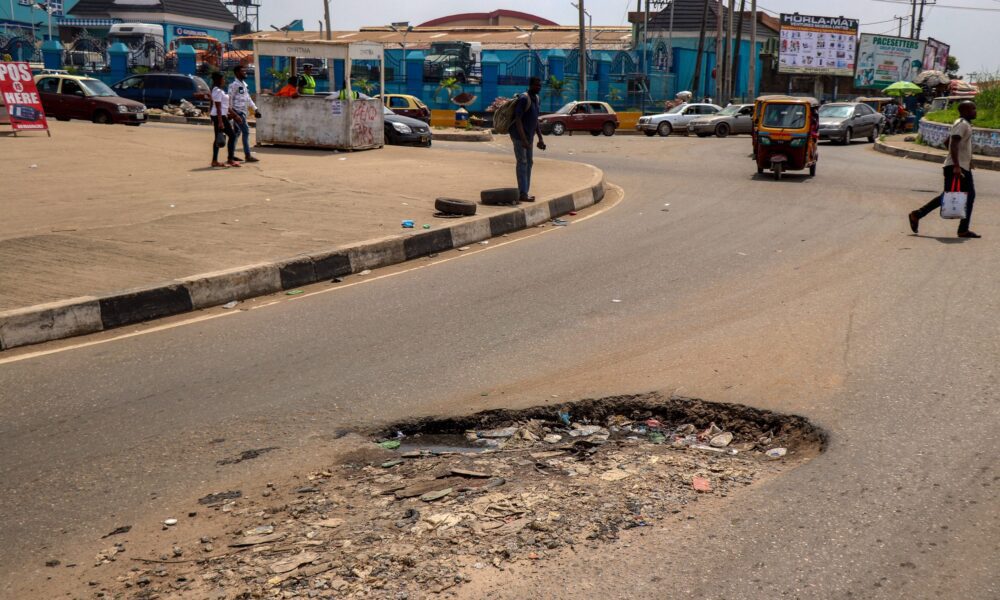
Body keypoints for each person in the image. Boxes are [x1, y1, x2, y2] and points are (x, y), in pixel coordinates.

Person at [908, 101, 980, 238]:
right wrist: (957, 165)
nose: (975, 111)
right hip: (956, 167)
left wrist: (966, 160)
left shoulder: (963, 123)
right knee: (955, 195)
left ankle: (918, 214)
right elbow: (953, 144)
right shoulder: (962, 124)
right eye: (973, 108)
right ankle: (962, 229)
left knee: (960, 196)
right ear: (964, 111)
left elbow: (948, 141)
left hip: (961, 166)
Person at [510, 76, 545, 203]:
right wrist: (524, 139)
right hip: (519, 137)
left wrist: (540, 138)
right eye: (536, 85)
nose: (538, 87)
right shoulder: (524, 99)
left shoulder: (537, 99)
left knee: (529, 163)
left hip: (529, 138)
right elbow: (518, 119)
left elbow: (535, 120)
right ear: (530, 85)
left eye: (540, 85)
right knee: (522, 162)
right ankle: (522, 193)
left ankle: (525, 191)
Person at [228, 65, 261, 163]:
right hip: (237, 112)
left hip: (243, 112)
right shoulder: (234, 85)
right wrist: (231, 113)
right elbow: (229, 99)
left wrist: (255, 109)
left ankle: (231, 155)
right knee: (246, 131)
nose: (245, 73)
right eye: (243, 71)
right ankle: (247, 155)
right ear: (237, 73)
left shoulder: (244, 85)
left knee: (237, 133)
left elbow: (248, 99)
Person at [210, 72, 239, 169]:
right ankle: (230, 159)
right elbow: (218, 107)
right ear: (218, 80)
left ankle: (215, 161)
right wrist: (221, 122)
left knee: (218, 137)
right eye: (223, 79)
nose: (224, 80)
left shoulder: (219, 90)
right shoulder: (217, 91)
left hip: (220, 116)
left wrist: (235, 115)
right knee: (232, 136)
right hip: (220, 116)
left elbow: (225, 106)